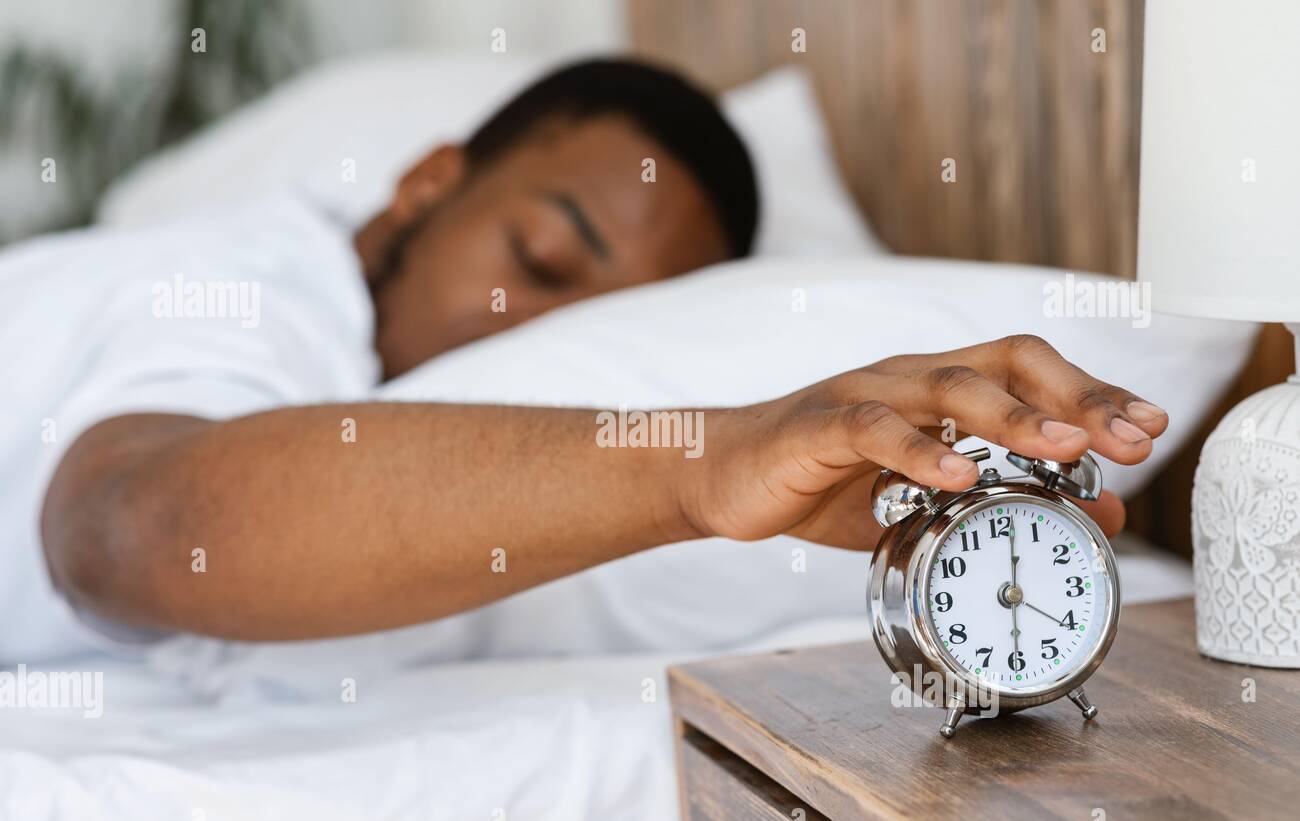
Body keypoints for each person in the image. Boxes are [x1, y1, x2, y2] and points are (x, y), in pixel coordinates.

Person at [10, 59, 1169, 654]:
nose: (526, 329)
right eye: (544, 256)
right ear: (428, 182)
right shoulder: (254, 291)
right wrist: (700, 464)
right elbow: (137, 532)